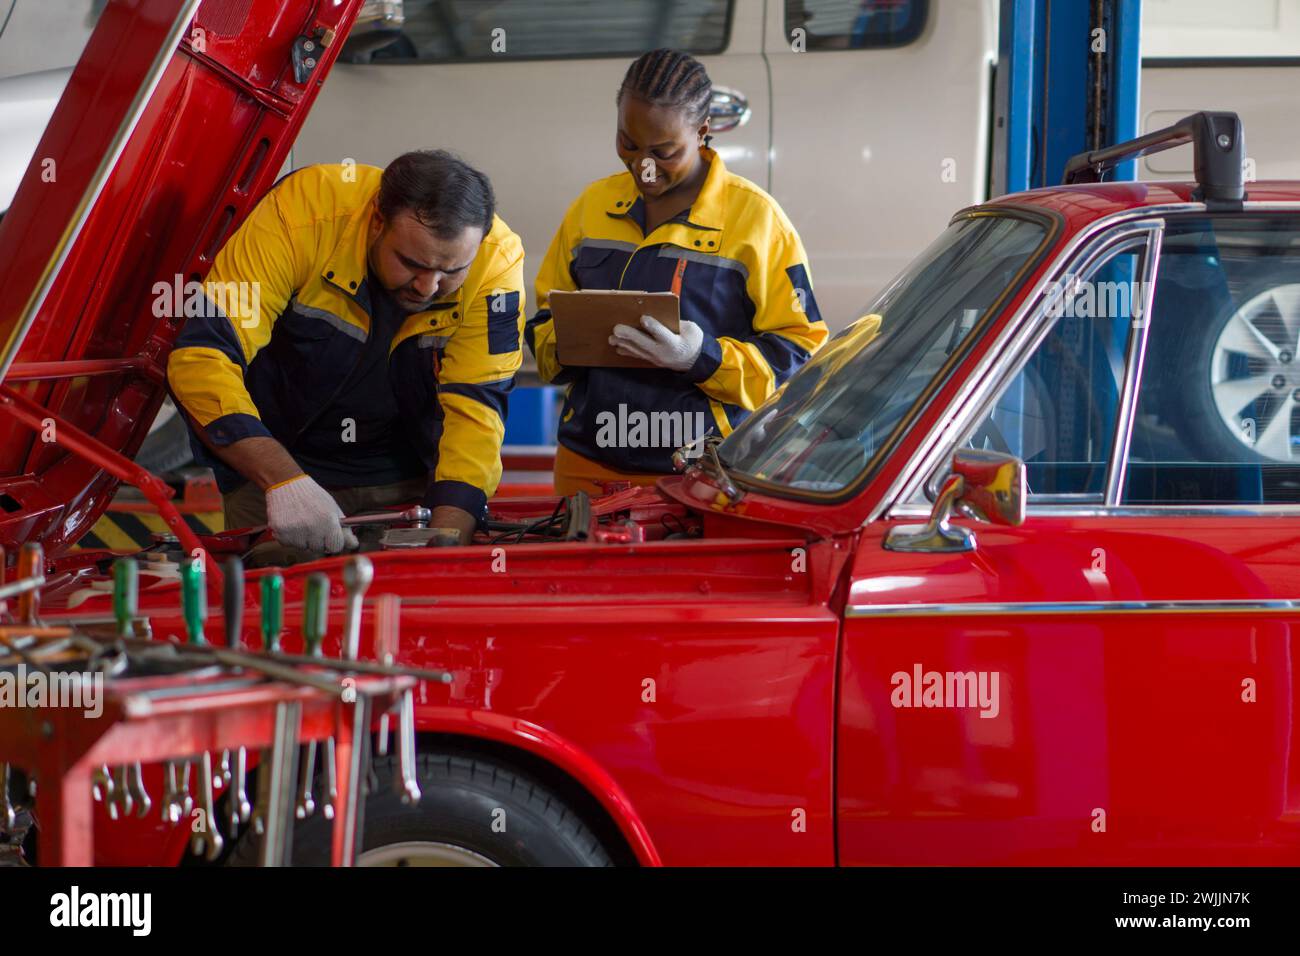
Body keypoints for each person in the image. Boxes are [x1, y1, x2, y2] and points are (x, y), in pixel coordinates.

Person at [167, 151, 524, 562]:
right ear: (376, 221)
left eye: (450, 272)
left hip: (407, 483)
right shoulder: (304, 212)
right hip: (272, 469)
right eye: (410, 263)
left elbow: (476, 404)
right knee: (267, 611)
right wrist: (282, 481)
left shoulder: (496, 259)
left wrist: (449, 532)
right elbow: (203, 354)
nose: (427, 287)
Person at [526, 49, 828, 495]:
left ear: (703, 133)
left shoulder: (756, 221)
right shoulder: (592, 208)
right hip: (588, 464)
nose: (642, 166)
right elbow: (544, 322)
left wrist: (700, 358)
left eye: (664, 152)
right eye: (627, 143)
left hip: (705, 474)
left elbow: (802, 355)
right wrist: (569, 342)